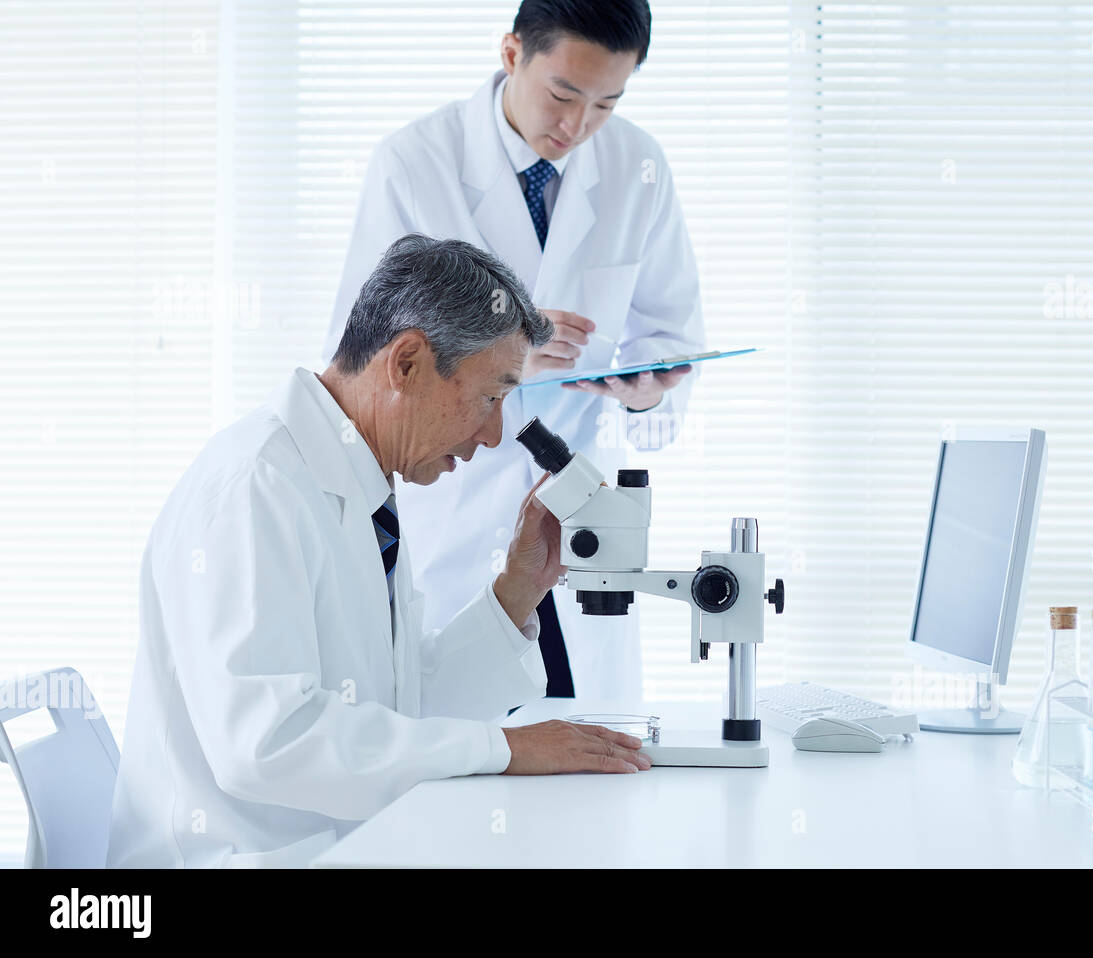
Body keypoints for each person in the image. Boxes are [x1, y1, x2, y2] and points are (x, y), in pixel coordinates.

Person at [108, 236, 651, 869]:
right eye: (491, 396)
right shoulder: (255, 488)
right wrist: (505, 748)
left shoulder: (359, 485)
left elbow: (396, 710)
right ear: (408, 362)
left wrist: (518, 589)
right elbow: (266, 743)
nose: (496, 433)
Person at [321, 0, 705, 704]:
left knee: (589, 761)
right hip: (457, 523)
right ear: (511, 54)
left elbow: (673, 338)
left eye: (605, 104)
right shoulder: (415, 163)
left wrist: (649, 390)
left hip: (582, 519)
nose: (577, 126)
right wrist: (499, 362)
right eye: (563, 94)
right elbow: (365, 356)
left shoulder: (637, 166)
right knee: (462, 750)